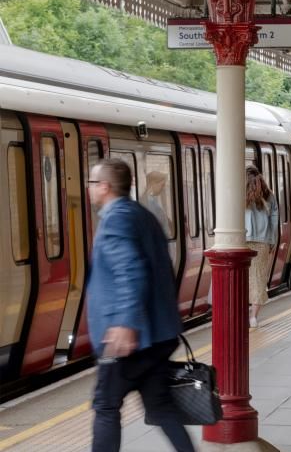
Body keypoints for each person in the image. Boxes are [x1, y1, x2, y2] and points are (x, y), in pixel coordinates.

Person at [86, 158, 194, 452]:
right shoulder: (142, 214)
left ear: (104, 187)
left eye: (92, 183)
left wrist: (125, 324)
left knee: (106, 406)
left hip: (132, 340)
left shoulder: (115, 219)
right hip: (159, 335)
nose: (89, 189)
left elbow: (131, 270)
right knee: (161, 407)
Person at [245, 166, 278, 329]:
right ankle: (253, 318)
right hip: (263, 243)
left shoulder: (240, 195)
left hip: (241, 241)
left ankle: (243, 314)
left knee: (243, 279)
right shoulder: (269, 196)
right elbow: (274, 221)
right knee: (259, 280)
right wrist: (272, 242)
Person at [140, 170, 171, 236]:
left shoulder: (145, 199)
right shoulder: (150, 203)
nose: (163, 188)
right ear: (153, 183)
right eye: (162, 185)